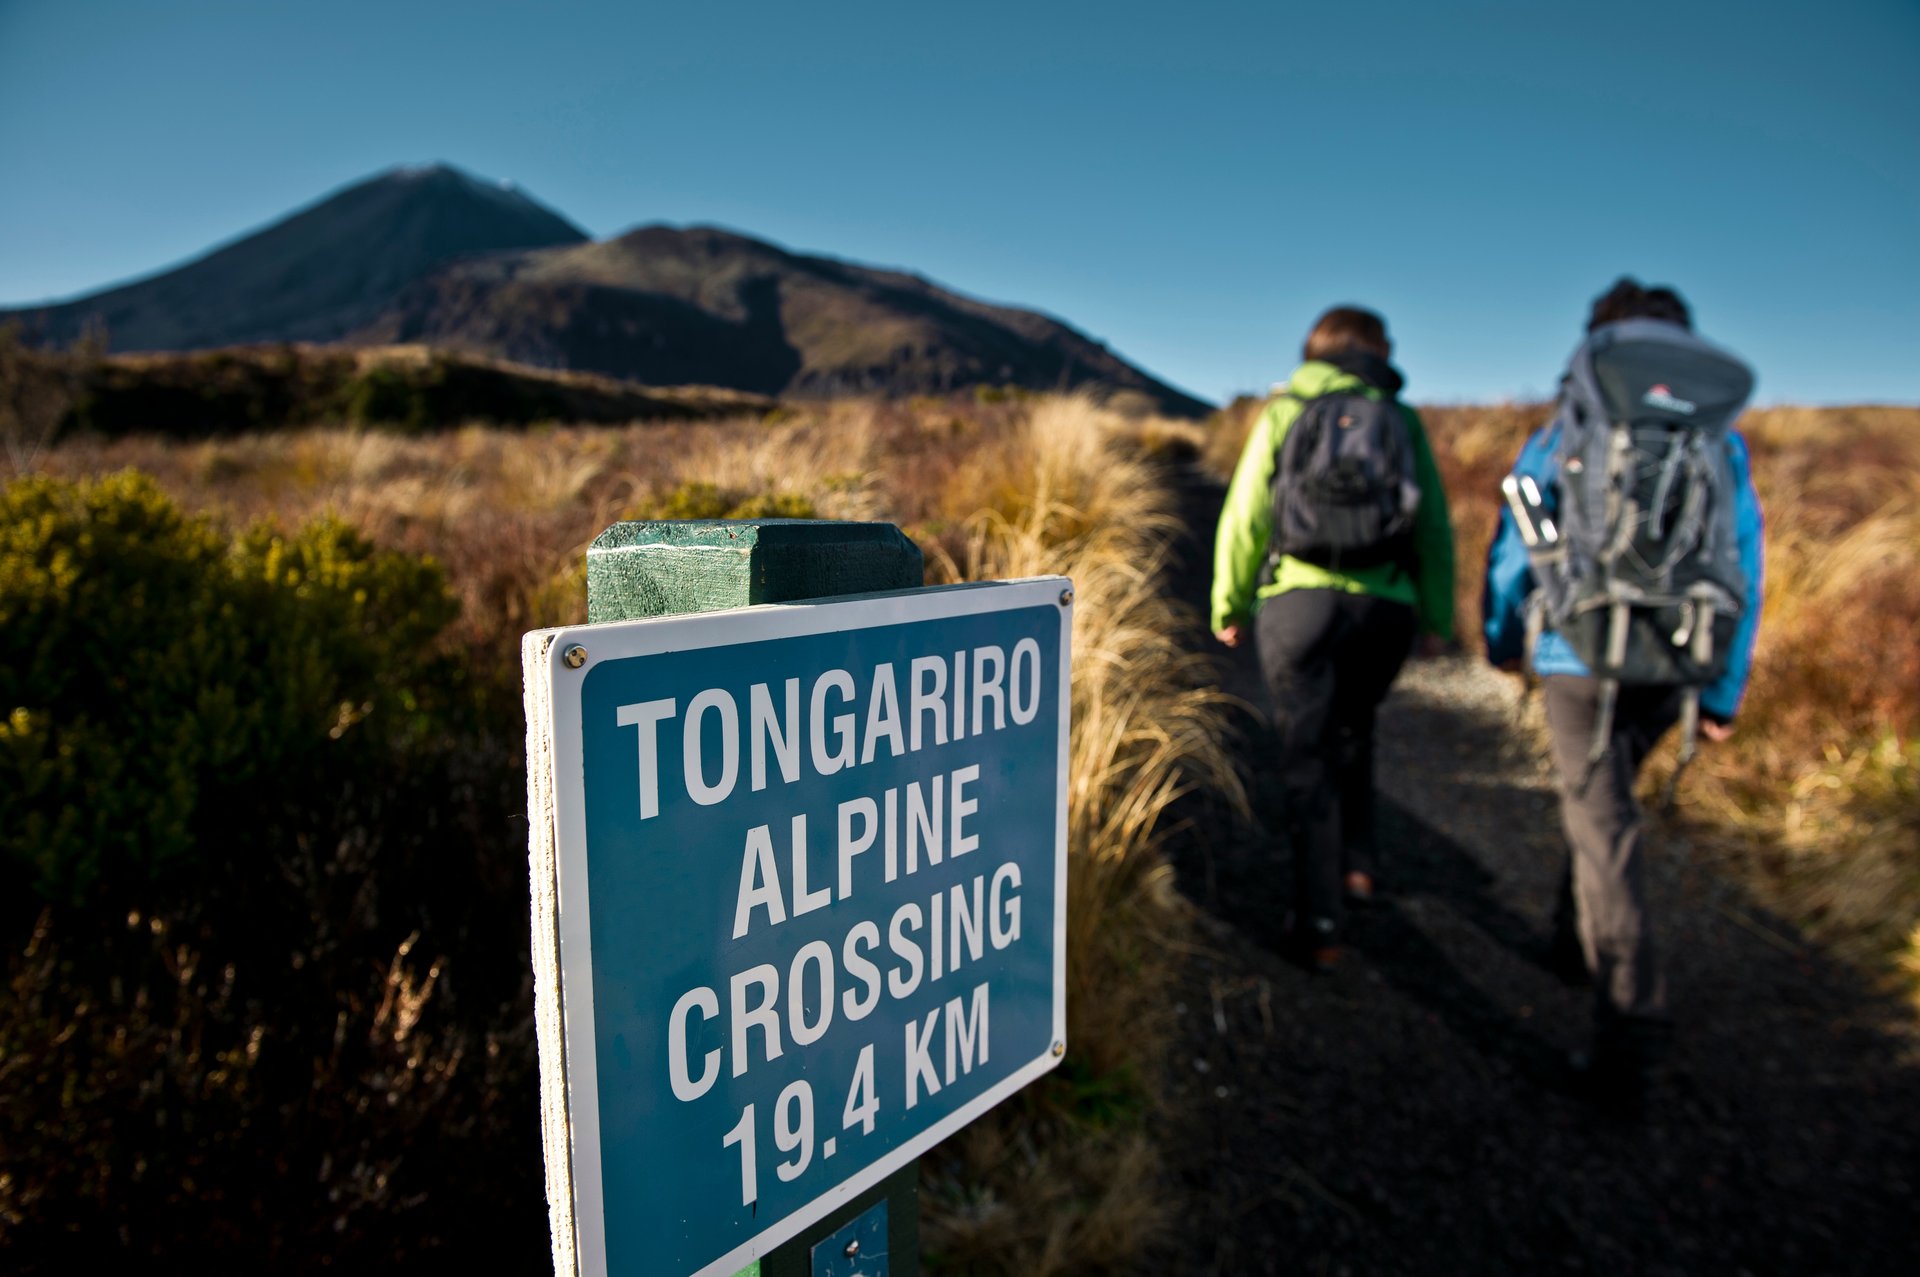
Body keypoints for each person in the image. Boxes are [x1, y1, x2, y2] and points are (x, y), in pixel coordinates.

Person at [1482, 277, 1765, 1104]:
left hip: (1581, 652)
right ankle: (1572, 939)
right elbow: (1743, 565)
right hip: (1678, 654)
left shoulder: (1567, 426)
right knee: (1603, 808)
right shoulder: (1716, 440)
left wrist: (1504, 638)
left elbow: (1518, 543)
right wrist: (1722, 689)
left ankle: (1633, 1020)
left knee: (1603, 824)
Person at [1212, 305, 1456, 971]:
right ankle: (1359, 866)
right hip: (1386, 606)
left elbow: (1245, 514)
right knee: (1356, 727)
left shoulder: (1287, 410)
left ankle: (1319, 919)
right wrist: (1438, 618)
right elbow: (1433, 526)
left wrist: (1229, 601)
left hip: (1299, 601)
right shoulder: (1399, 418)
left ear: (1314, 351)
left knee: (1307, 750)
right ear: (1378, 352)